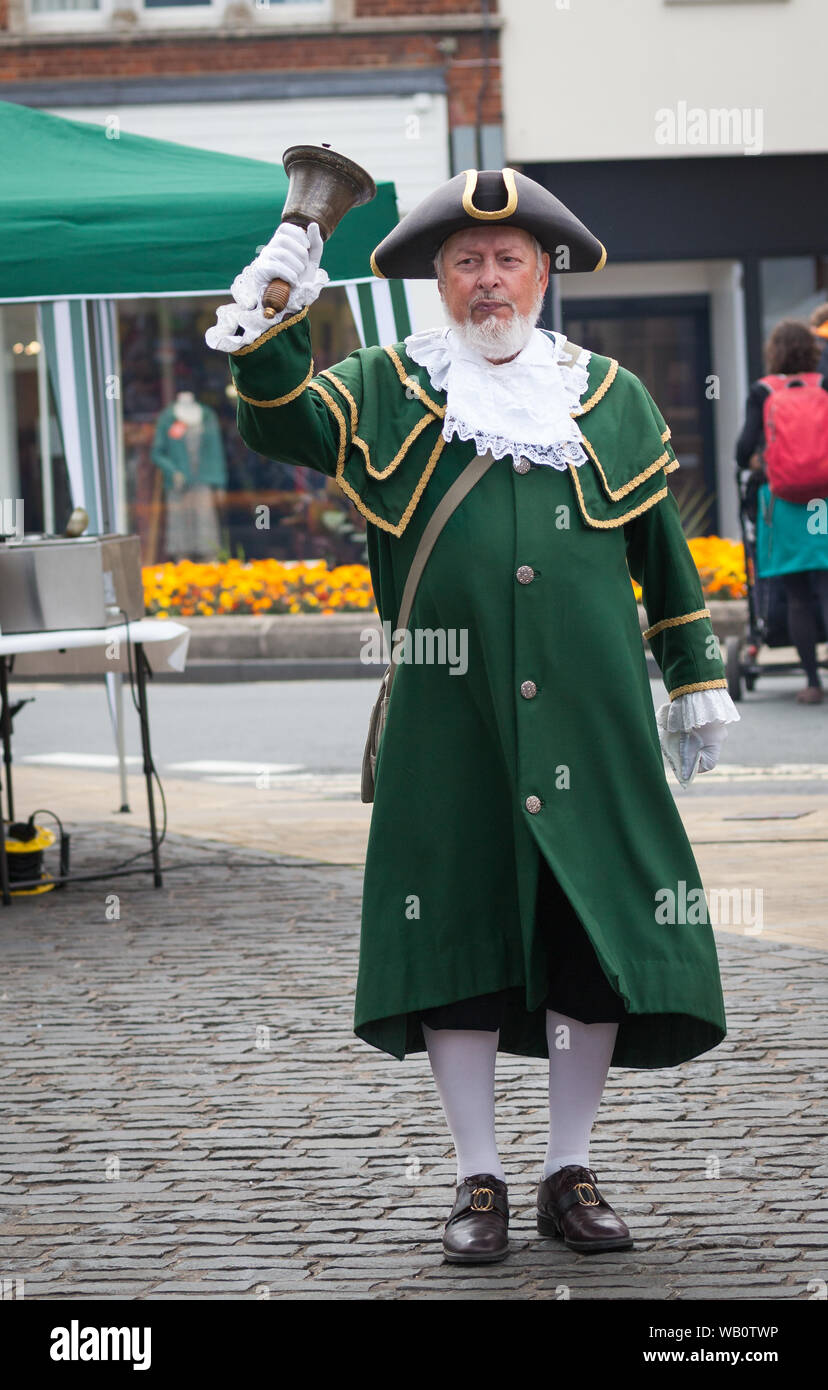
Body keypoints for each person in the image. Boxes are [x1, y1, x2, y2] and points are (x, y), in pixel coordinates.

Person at [205, 167, 740, 1264]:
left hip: (592, 717)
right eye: (465, 262)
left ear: (545, 271)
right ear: (438, 278)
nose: (488, 280)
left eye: (506, 260)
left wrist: (694, 672)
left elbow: (660, 551)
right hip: (450, 713)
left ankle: (566, 1168)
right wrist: (273, 308)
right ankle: (477, 1176)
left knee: (588, 928)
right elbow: (276, 420)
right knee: (453, 925)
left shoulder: (608, 395)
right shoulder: (391, 385)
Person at [735, 319, 828, 704]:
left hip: (781, 502)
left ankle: (811, 681)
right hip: (822, 501)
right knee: (825, 585)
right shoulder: (822, 385)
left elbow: (742, 451)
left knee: (798, 593)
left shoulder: (763, 391)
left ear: (774, 352)